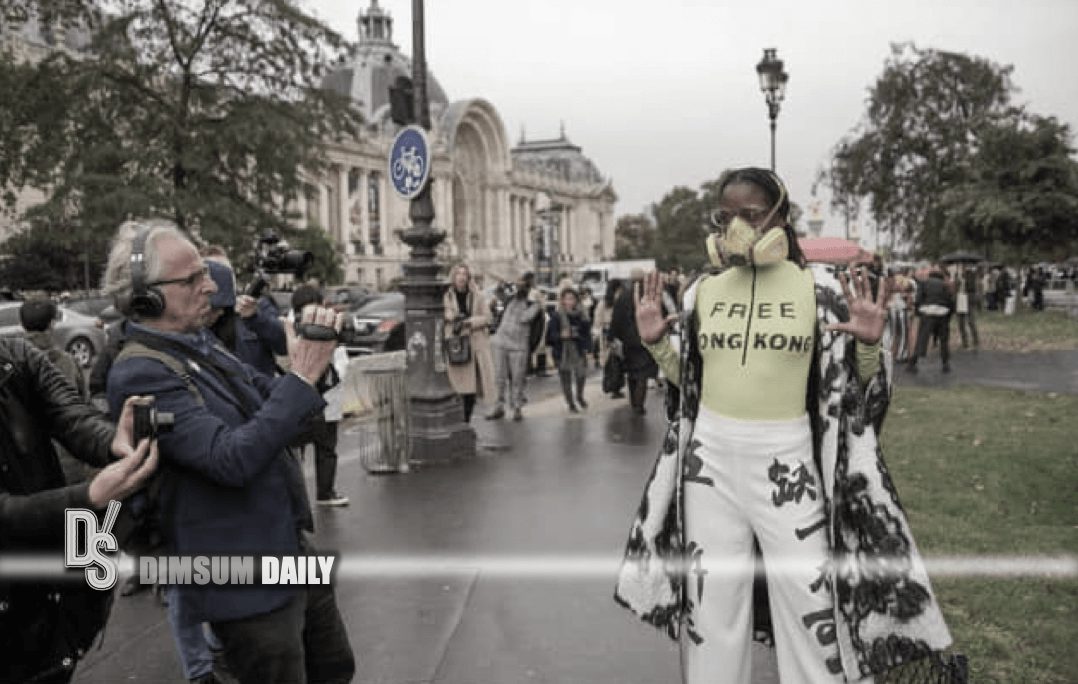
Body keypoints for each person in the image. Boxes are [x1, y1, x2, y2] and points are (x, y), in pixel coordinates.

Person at [614, 168, 952, 683]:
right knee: (711, 608)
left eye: (750, 215)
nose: (736, 229)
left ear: (781, 218)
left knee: (810, 601)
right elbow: (694, 384)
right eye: (725, 217)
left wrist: (866, 345)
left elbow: (853, 396)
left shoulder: (822, 292)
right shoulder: (702, 291)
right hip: (710, 464)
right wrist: (657, 344)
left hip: (789, 461)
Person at [102, 218, 354, 683]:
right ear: (147, 297)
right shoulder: (140, 371)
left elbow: (273, 405)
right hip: (244, 581)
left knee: (336, 668)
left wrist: (314, 367)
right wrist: (300, 379)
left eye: (207, 272)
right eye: (193, 278)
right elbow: (229, 459)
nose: (210, 286)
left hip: (288, 550)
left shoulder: (199, 344)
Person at [0, 335, 158, 683]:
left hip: (46, 596)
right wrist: (88, 497)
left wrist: (112, 440)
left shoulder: (15, 356)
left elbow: (72, 416)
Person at [290, 284, 351, 506]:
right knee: (296, 450)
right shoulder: (289, 329)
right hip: (300, 393)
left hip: (328, 392)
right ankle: (297, 497)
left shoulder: (328, 323)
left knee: (327, 445)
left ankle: (325, 492)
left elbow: (343, 348)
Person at [443, 264, 496, 423]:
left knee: (471, 389)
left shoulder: (477, 295)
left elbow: (488, 317)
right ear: (453, 276)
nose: (461, 277)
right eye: (458, 274)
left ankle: (466, 421)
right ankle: (460, 422)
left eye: (464, 274)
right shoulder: (446, 296)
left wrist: (469, 322)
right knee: (458, 387)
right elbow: (446, 314)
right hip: (456, 344)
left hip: (475, 346)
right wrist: (453, 318)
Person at [487, 273, 541, 421]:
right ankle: (498, 406)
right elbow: (498, 295)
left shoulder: (533, 302)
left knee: (518, 378)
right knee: (499, 376)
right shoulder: (511, 297)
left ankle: (517, 407)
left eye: (523, 283)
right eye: (518, 282)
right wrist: (503, 285)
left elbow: (525, 318)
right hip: (501, 341)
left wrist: (528, 296)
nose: (519, 285)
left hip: (519, 345)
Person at [609, 268, 660, 414]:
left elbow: (616, 319)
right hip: (646, 337)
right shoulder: (649, 296)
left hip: (627, 341)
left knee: (632, 373)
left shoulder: (623, 296)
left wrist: (612, 337)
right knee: (643, 373)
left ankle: (634, 402)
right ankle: (639, 404)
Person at [546, 286, 592, 413]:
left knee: (581, 375)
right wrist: (561, 335)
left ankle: (579, 396)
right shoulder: (556, 316)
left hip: (578, 348)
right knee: (565, 377)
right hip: (563, 350)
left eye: (572, 298)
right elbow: (550, 336)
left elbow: (586, 333)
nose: (570, 301)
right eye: (567, 299)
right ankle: (571, 402)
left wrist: (588, 348)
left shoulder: (582, 315)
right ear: (562, 300)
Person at [908, 263, 954, 374]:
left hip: (927, 313)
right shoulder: (945, 285)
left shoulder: (924, 283)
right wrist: (948, 315)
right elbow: (951, 301)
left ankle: (913, 363)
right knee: (943, 340)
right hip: (942, 313)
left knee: (922, 339)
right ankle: (945, 364)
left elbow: (918, 299)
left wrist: (919, 312)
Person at [956, 265, 980, 349]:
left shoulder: (972, 275)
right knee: (961, 322)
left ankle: (975, 340)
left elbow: (972, 287)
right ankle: (964, 341)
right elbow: (956, 288)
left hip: (969, 299)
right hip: (960, 299)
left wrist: (963, 281)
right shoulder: (958, 275)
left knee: (971, 321)